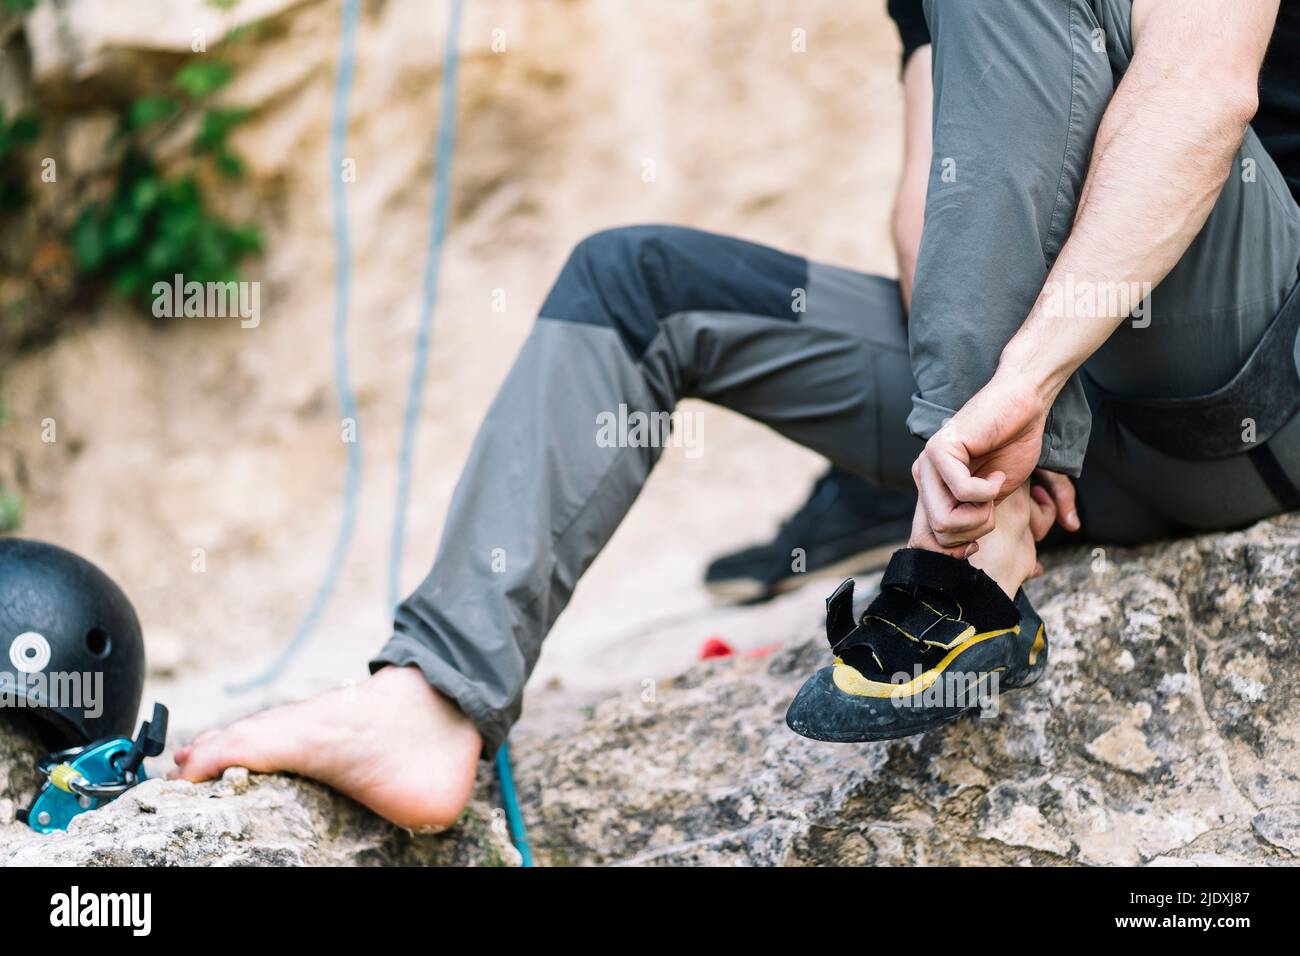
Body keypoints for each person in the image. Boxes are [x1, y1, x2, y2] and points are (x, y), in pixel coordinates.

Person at [175, 0, 1300, 828]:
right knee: (635, 282)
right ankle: (432, 693)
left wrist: (1027, 382)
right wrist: (980, 429)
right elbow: (933, 203)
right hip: (1066, 434)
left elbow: (1200, 92)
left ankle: (967, 558)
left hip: (1251, 385)